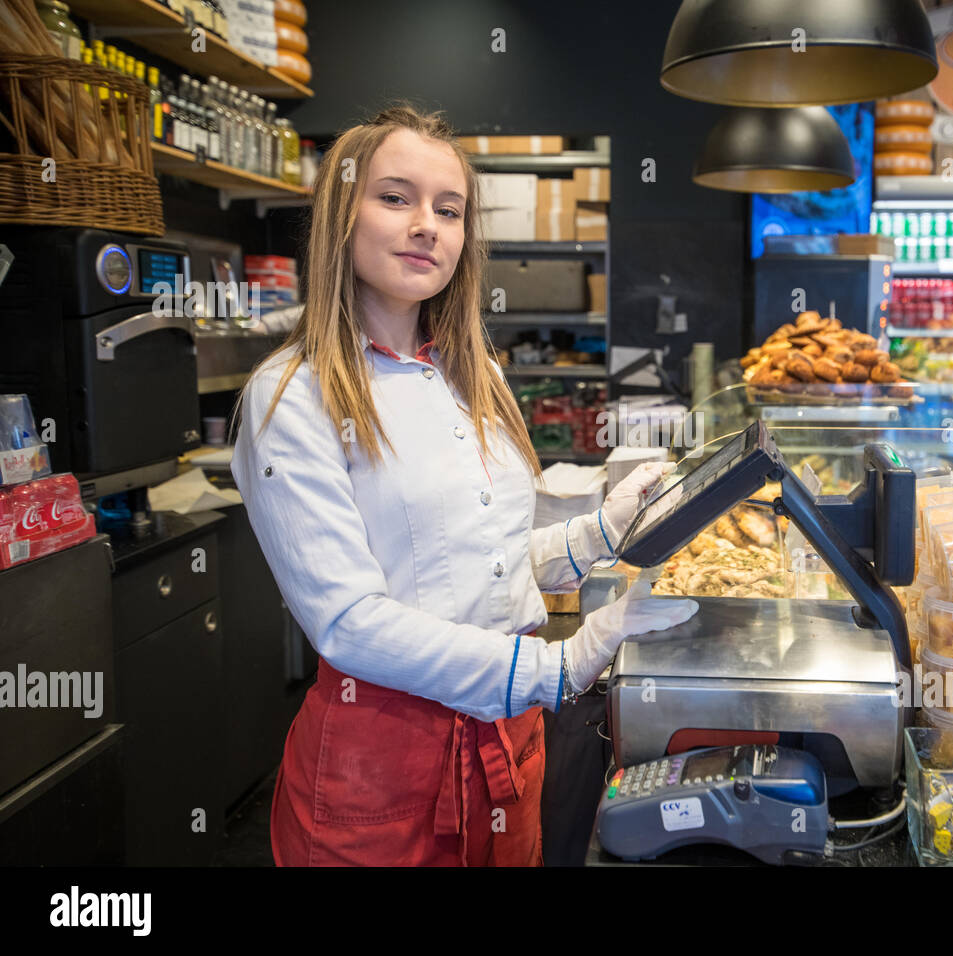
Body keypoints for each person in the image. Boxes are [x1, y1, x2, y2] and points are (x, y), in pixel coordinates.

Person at [230, 104, 698, 866]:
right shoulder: (292, 396)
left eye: (449, 210)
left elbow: (481, 561)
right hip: (381, 762)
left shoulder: (471, 375)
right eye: (395, 198)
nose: (427, 225)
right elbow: (348, 621)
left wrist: (601, 533)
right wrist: (561, 666)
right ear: (339, 216)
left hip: (507, 747)